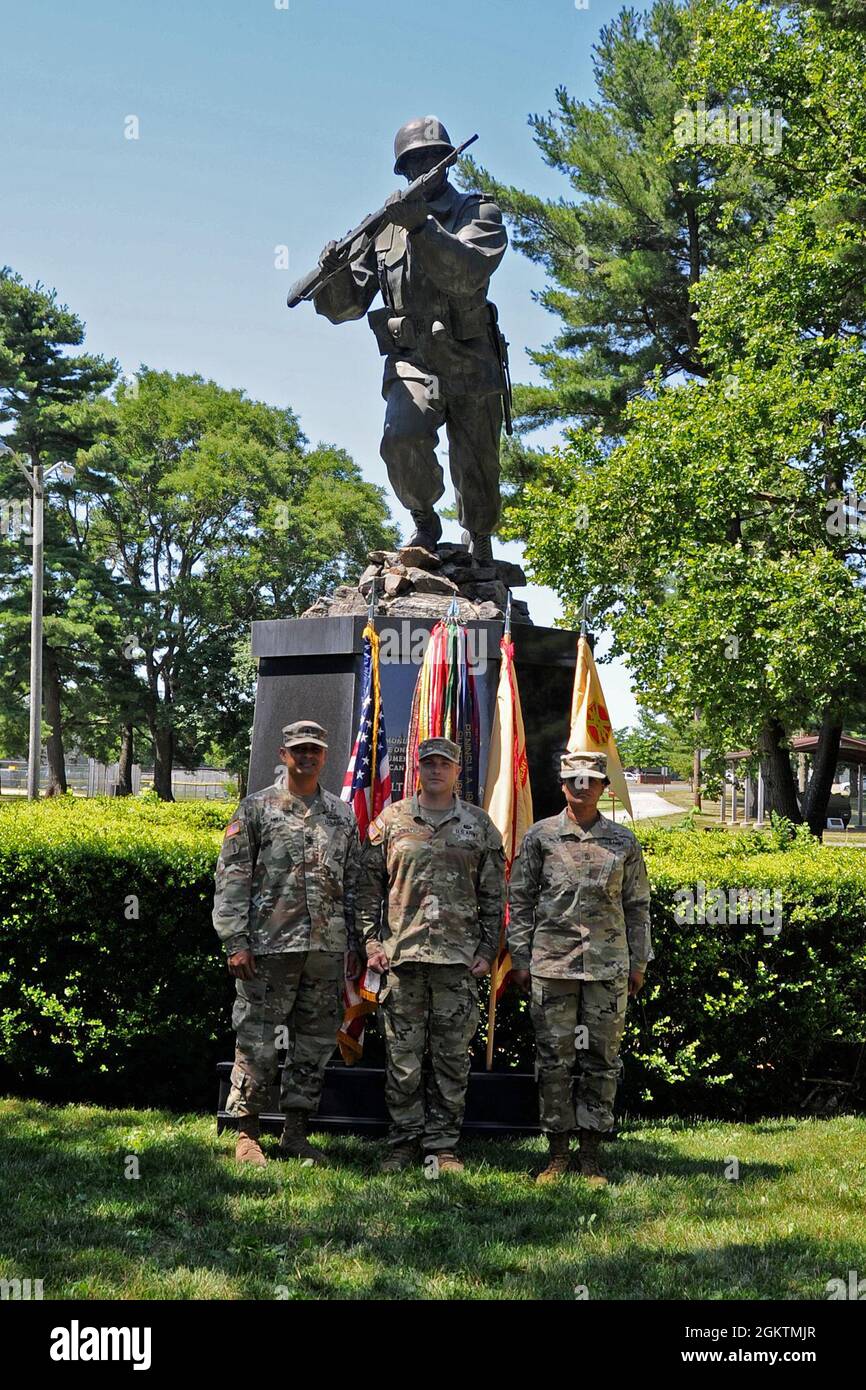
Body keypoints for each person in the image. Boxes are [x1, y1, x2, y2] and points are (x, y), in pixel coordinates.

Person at [313, 116, 509, 563]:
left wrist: (422, 228)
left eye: (431, 158)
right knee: (402, 436)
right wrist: (334, 272)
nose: (423, 168)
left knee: (479, 464)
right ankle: (424, 520)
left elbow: (467, 275)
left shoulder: (478, 213)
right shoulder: (383, 230)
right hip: (414, 360)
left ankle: (478, 537)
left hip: (469, 359)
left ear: (448, 161)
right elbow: (345, 307)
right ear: (401, 171)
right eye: (412, 162)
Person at [212, 720, 361, 1167]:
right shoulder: (256, 809)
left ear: (325, 755)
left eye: (315, 749)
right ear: (284, 754)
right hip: (267, 950)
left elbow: (353, 883)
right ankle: (248, 1132)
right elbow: (232, 878)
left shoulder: (341, 815)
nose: (307, 757)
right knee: (258, 1040)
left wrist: (354, 942)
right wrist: (235, 941)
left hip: (324, 951)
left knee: (312, 1045)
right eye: (299, 750)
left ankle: (295, 1132)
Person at [357, 737, 505, 1173]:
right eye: (429, 763)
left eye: (445, 763)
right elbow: (369, 889)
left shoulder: (478, 827)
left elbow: (494, 897)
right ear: (417, 768)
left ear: (458, 771)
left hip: (457, 964)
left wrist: (486, 950)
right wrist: (370, 943)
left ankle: (443, 1146)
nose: (436, 770)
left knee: (451, 1059)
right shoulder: (392, 821)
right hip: (401, 961)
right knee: (402, 1061)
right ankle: (403, 1142)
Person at [508, 751, 652, 1185]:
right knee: (554, 1060)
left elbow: (637, 905)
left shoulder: (623, 842)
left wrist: (639, 960)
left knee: (602, 1060)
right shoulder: (540, 837)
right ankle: (557, 1153)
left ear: (605, 787)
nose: (583, 786)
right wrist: (519, 959)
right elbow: (520, 901)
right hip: (552, 966)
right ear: (563, 785)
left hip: (608, 970)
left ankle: (590, 1154)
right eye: (575, 779)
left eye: (592, 779)